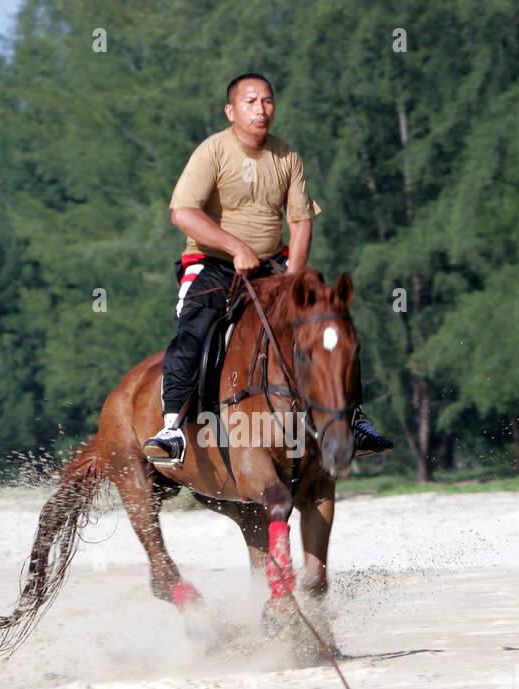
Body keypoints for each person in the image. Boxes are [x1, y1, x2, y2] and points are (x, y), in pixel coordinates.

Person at [143, 72, 394, 465]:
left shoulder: (287, 156)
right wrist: (235, 247)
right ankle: (173, 426)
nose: (261, 109)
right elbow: (183, 213)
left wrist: (294, 278)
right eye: (251, 102)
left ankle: (355, 417)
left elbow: (301, 222)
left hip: (275, 268)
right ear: (231, 111)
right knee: (194, 326)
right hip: (212, 265)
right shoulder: (212, 152)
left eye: (267, 101)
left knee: (330, 321)